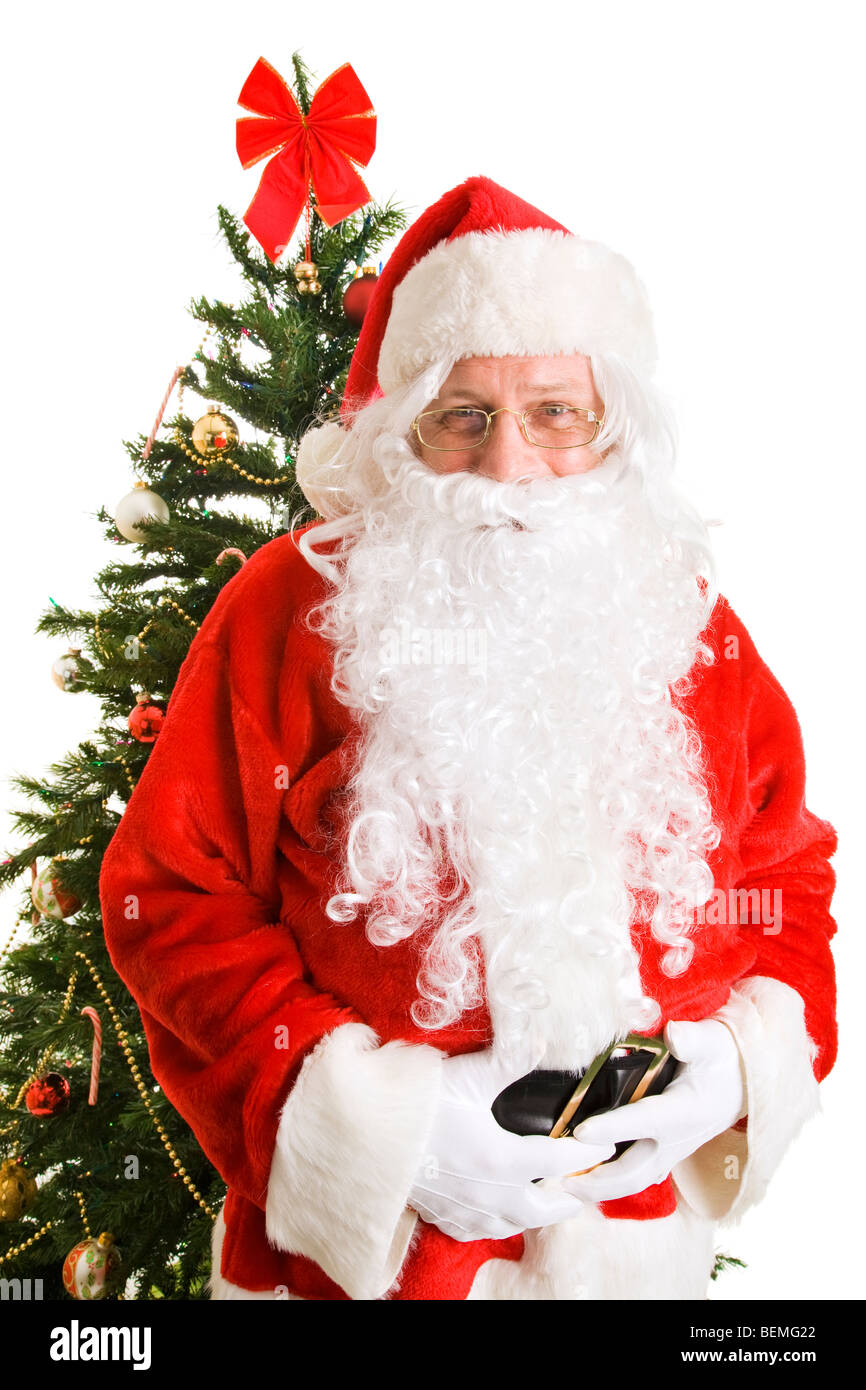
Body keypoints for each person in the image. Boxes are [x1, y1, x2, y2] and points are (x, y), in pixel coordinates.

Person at [98, 175, 838, 1301]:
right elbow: (170, 894)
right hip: (370, 1272)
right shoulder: (284, 614)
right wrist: (386, 1133)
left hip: (629, 1265)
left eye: (552, 410)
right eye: (463, 417)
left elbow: (781, 874)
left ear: (608, 423)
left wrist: (739, 1066)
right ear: (404, 432)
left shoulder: (681, 613)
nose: (508, 465)